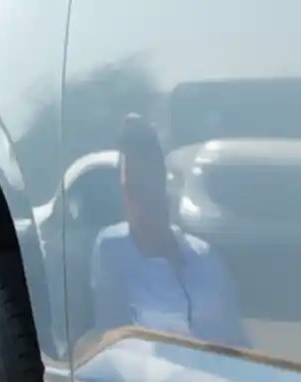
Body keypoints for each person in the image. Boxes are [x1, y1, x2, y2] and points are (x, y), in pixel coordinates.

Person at [91, 113, 250, 348]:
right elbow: (113, 343)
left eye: (149, 185)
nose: (140, 200)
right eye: (131, 189)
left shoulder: (206, 258)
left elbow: (238, 344)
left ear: (165, 184)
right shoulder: (112, 250)